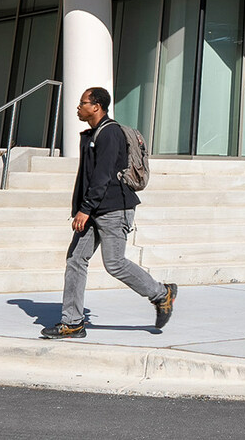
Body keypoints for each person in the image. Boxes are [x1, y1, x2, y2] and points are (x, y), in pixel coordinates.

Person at [43, 86, 176, 339]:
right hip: (94, 209)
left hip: (114, 209)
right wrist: (82, 208)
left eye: (83, 103)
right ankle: (72, 322)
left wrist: (85, 209)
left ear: (96, 106)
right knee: (75, 260)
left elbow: (103, 175)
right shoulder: (93, 134)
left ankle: (162, 294)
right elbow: (88, 177)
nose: (78, 107)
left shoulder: (110, 133)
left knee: (114, 263)